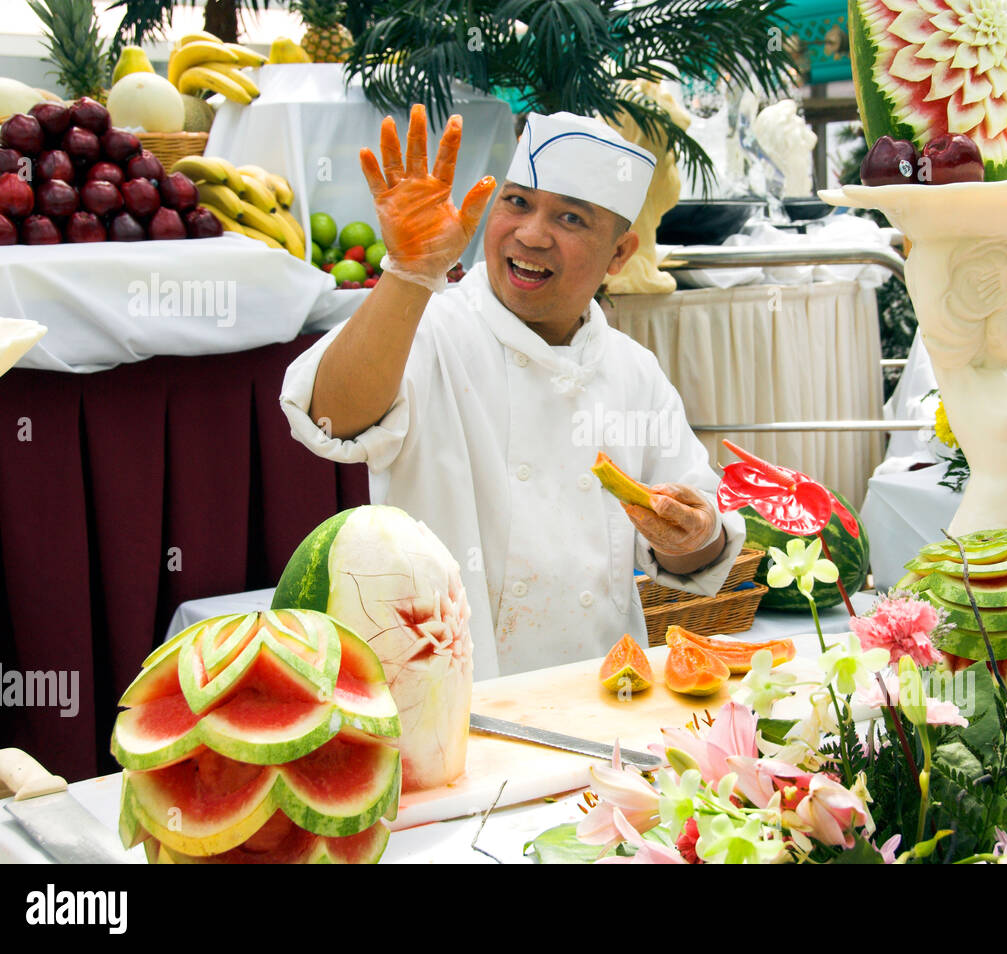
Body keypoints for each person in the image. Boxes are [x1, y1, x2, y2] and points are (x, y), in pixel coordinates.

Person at [281, 106, 746, 679]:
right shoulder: (429, 326)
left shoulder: (634, 372)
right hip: (442, 693)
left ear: (619, 255)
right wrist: (409, 271)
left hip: (595, 696)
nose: (531, 234)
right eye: (517, 202)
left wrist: (693, 532)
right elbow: (331, 418)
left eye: (571, 218)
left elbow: (696, 554)